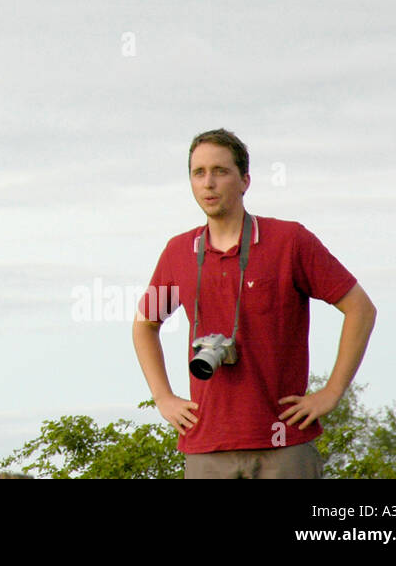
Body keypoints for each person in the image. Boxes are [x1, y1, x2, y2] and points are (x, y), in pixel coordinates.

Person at [132, 129, 376, 478]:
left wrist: (332, 391)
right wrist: (163, 397)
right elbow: (144, 324)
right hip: (206, 445)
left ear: (245, 180)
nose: (209, 183)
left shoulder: (288, 241)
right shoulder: (178, 252)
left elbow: (361, 309)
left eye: (220, 171)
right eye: (198, 173)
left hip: (283, 444)